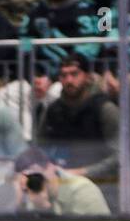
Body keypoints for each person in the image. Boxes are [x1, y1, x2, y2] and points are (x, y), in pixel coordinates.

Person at [35, 54, 119, 186]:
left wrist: (84, 172)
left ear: (87, 77)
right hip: (61, 182)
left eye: (74, 74)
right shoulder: (52, 110)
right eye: (64, 75)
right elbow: (40, 147)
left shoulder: (105, 109)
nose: (69, 80)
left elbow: (119, 156)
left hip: (102, 184)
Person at [18, 0, 102, 77]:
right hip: (40, 78)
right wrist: (36, 76)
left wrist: (66, 74)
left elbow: (91, 45)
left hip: (78, 77)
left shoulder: (87, 8)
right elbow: (25, 47)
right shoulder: (34, 11)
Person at [12, 144, 111, 215]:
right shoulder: (31, 193)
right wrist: (19, 204)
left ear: (51, 167)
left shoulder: (82, 191)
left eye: (35, 174)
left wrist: (45, 210)